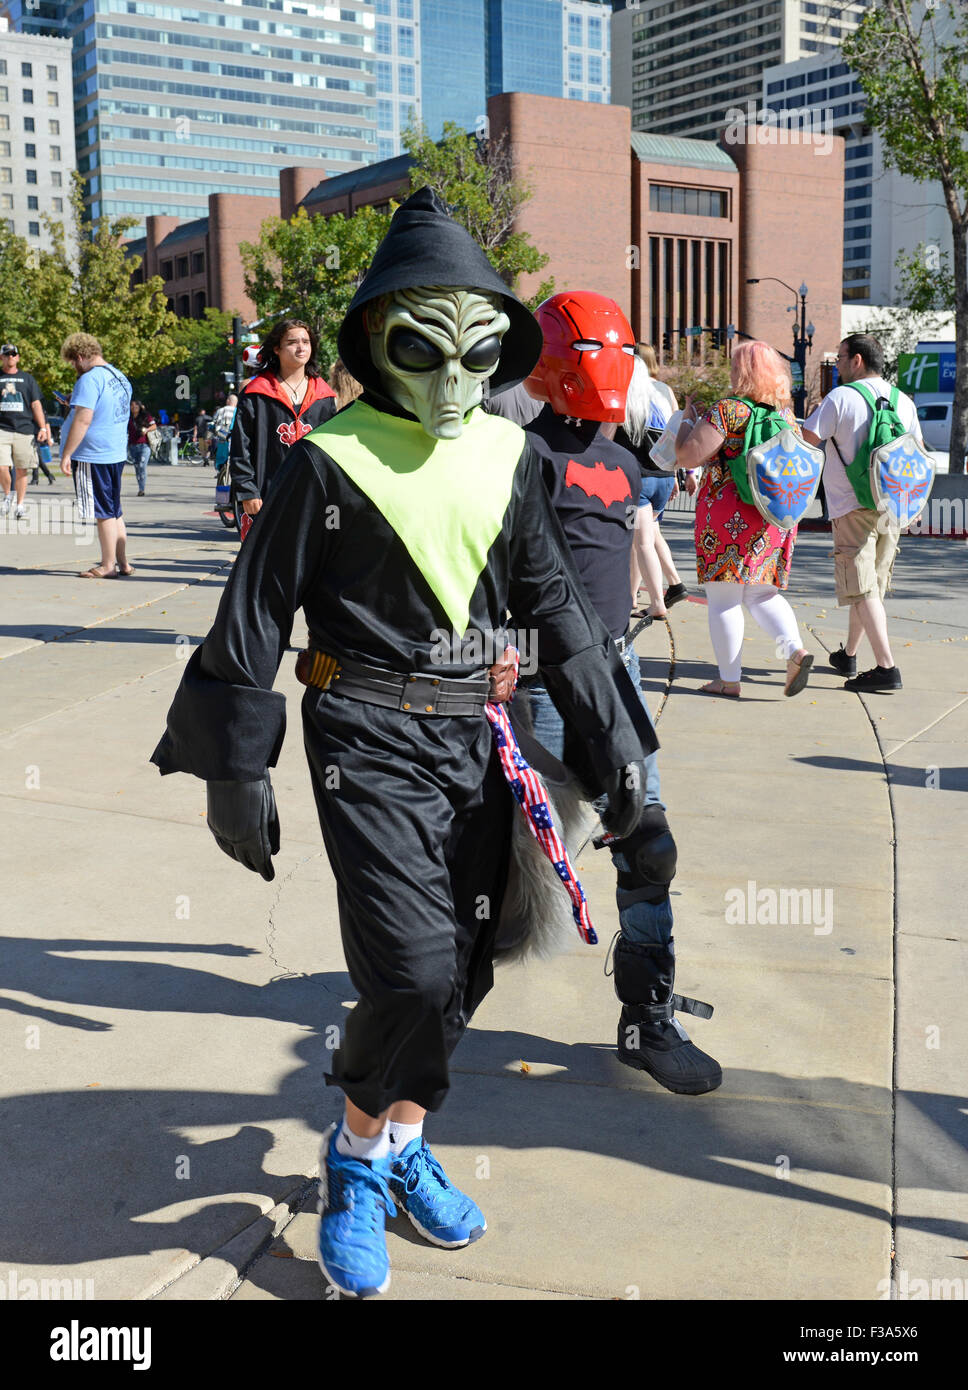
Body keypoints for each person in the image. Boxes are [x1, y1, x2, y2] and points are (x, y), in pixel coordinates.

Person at [151, 189, 654, 1300]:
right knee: (411, 966)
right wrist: (233, 763)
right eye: (424, 345)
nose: (449, 376)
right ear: (379, 338)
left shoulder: (512, 461)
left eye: (473, 351)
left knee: (463, 968)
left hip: (478, 733)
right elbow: (254, 605)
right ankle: (353, 1161)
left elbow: (559, 609)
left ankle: (397, 1136)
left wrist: (616, 750)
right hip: (363, 734)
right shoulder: (327, 460)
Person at [517, 289, 721, 1097]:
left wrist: (717, 427)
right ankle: (435, 1011)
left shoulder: (624, 455)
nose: (608, 367)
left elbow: (675, 457)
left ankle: (646, 1019)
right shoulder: (519, 458)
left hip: (612, 674)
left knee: (650, 846)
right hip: (535, 681)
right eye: (596, 353)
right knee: (509, 862)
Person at [675, 340, 813, 698]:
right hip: (772, 514)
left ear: (742, 371)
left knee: (723, 599)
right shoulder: (784, 415)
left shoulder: (729, 411)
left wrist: (688, 420)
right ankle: (794, 651)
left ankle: (728, 680)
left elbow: (688, 457)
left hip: (727, 514)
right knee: (763, 594)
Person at [802, 334, 921, 692]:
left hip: (851, 504)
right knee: (870, 585)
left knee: (861, 584)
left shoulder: (841, 398)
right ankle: (849, 655)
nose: (837, 365)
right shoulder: (904, 402)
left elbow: (807, 440)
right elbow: (915, 455)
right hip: (892, 504)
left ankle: (887, 668)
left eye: (839, 358)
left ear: (856, 360)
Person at [228, 319, 336, 526]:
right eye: (293, 342)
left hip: (312, 495)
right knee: (268, 558)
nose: (301, 347)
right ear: (277, 348)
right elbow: (241, 446)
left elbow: (333, 451)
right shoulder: (256, 393)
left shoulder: (324, 395)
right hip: (267, 493)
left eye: (306, 341)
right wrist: (247, 489)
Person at [616, 356, 689, 621]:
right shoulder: (660, 395)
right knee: (643, 541)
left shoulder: (623, 399)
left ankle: (657, 601)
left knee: (641, 543)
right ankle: (633, 596)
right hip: (664, 478)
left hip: (636, 482)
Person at [59, 333, 134, 579]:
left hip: (94, 455)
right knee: (114, 510)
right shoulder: (119, 376)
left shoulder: (89, 380)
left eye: (72, 362)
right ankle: (123, 563)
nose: (73, 367)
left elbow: (83, 419)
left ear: (80, 357)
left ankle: (107, 565)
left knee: (102, 511)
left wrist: (67, 453)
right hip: (115, 452)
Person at [0, 343, 51, 520]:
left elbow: (36, 404)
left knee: (22, 469)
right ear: (2, 358)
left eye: (14, 354)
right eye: (7, 355)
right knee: (1, 466)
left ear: (18, 358)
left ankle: (20, 504)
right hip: (2, 428)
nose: (11, 357)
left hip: (24, 429)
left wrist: (43, 427)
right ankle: (8, 495)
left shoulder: (28, 379)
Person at [127, 400, 155, 496]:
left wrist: (146, 430)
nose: (134, 408)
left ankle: (142, 489)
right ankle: (140, 487)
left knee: (142, 466)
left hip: (144, 445)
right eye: (132, 406)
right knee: (137, 467)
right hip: (132, 446)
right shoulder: (128, 417)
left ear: (139, 407)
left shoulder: (145, 416)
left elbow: (154, 426)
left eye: (136, 406)